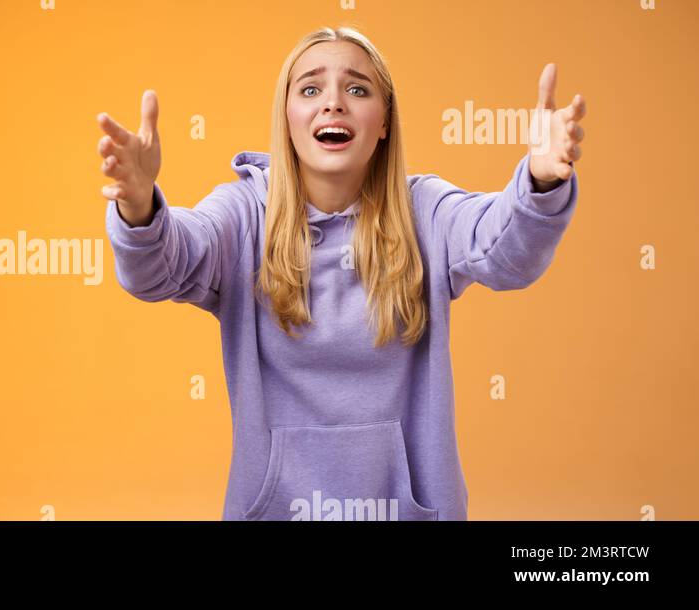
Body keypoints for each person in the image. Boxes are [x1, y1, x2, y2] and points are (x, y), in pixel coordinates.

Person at [95, 26, 586, 520]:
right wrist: (140, 211)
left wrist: (539, 183)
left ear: (385, 122)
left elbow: (505, 252)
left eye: (357, 89)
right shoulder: (244, 213)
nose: (333, 103)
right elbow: (162, 267)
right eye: (310, 89)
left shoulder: (426, 210)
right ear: (287, 119)